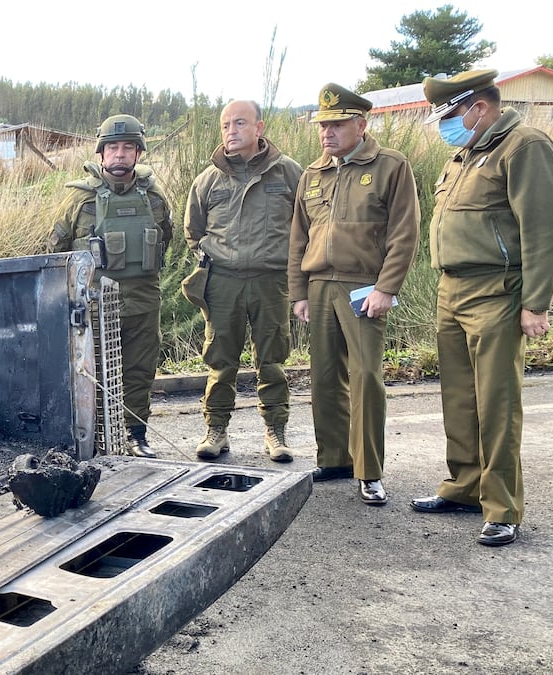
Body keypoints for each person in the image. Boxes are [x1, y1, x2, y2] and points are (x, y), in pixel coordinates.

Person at [409, 69, 553, 547]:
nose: (444, 127)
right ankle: (463, 487)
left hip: (497, 292)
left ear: (480, 107)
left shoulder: (523, 147)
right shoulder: (465, 154)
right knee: (459, 398)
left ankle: (502, 508)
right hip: (452, 289)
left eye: (451, 115)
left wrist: (535, 303)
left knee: (496, 403)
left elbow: (546, 228)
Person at [288, 83, 420, 505]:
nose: (327, 133)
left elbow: (404, 233)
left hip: (363, 287)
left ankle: (368, 471)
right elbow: (297, 239)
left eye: (338, 124)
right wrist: (299, 293)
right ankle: (334, 458)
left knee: (365, 377)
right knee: (324, 377)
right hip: (319, 285)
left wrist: (386, 288)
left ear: (361, 125)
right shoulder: (313, 173)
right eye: (323, 125)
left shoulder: (389, 166)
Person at [51, 114, 174, 458]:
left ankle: (137, 436)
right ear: (101, 154)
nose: (120, 155)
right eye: (113, 148)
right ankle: (95, 440)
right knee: (91, 374)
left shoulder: (154, 199)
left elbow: (167, 240)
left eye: (128, 148)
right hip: (93, 304)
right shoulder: (79, 201)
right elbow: (56, 254)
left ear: (138, 153)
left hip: (143, 302)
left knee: (139, 372)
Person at [185, 100, 302, 463]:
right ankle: (216, 430)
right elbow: (194, 231)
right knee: (221, 361)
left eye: (239, 123)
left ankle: (276, 431)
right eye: (225, 125)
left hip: (271, 281)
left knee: (273, 359)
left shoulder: (288, 174)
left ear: (259, 128)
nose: (231, 131)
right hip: (223, 284)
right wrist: (215, 257)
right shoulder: (208, 180)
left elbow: (306, 223)